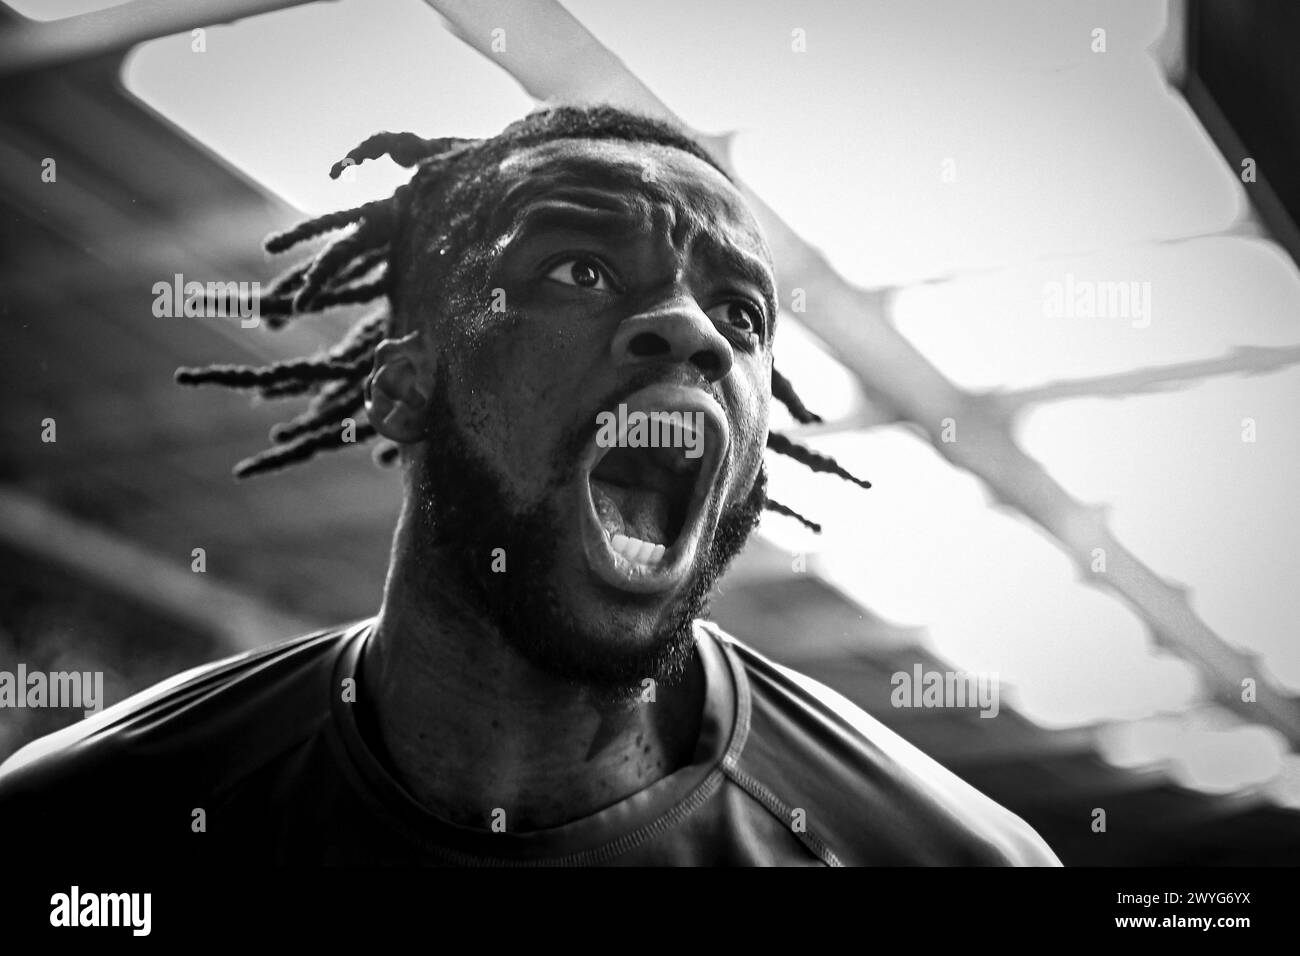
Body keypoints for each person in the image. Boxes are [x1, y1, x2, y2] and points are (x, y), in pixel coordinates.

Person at [0, 105, 1059, 866]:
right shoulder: (89, 825)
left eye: (740, 316)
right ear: (407, 386)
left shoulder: (935, 851)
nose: (694, 330)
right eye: (578, 270)